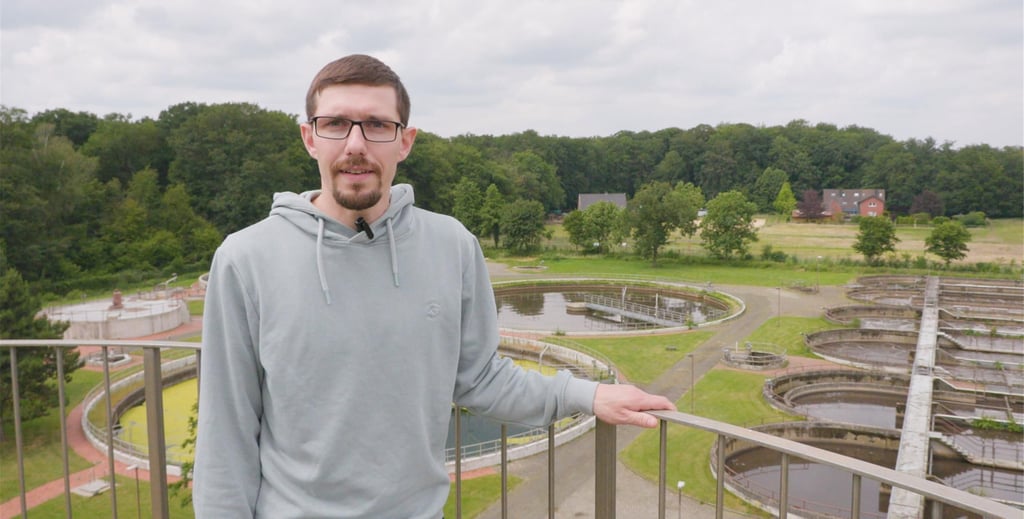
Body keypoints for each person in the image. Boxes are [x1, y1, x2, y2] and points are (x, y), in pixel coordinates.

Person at [192, 54, 675, 519]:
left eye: (378, 125)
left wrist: (586, 396)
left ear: (405, 141)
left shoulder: (451, 244)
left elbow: (480, 377)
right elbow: (226, 432)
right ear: (309, 137)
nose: (356, 144)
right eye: (336, 123)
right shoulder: (245, 258)